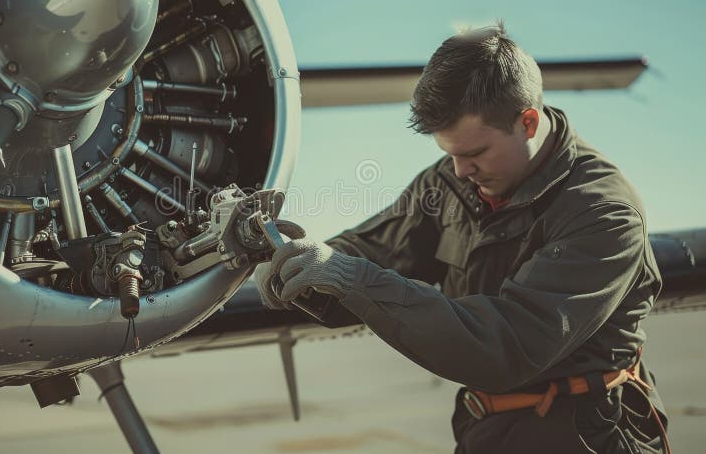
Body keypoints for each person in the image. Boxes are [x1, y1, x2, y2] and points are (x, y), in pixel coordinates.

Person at [255, 24, 670, 453]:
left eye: (473, 154)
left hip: (584, 438)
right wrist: (293, 262)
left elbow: (506, 347)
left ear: (528, 122)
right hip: (484, 433)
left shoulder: (602, 212)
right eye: (448, 154)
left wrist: (349, 277)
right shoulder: (450, 184)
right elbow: (372, 252)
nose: (459, 171)